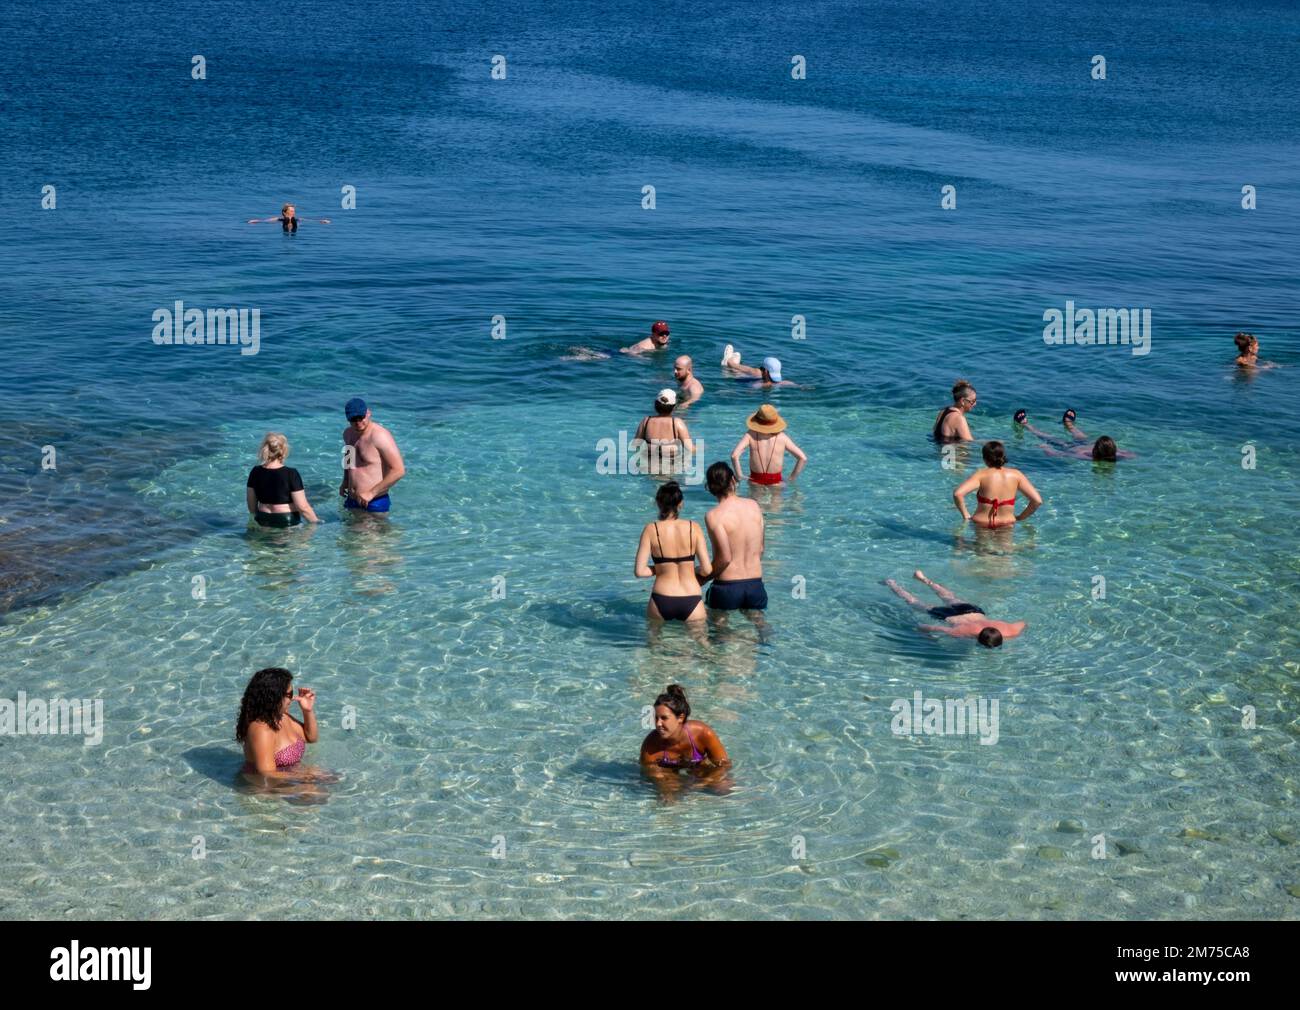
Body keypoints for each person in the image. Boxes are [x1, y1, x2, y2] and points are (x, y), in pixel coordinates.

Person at [634, 481, 711, 622]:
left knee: (653, 643)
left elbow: (640, 572)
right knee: (702, 643)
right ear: (680, 504)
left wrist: (662, 568)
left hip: (661, 598)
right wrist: (690, 569)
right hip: (691, 597)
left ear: (658, 503)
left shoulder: (651, 529)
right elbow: (707, 570)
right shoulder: (693, 527)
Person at [885, 570, 1026, 646]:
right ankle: (892, 584)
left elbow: (1024, 623)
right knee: (915, 603)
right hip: (949, 616)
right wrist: (929, 639)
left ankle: (923, 578)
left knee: (948, 596)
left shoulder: (1010, 629)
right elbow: (924, 626)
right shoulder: (960, 632)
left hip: (972, 610)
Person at [700, 462, 768, 611]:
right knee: (761, 627)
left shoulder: (713, 516)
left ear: (710, 487)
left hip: (727, 587)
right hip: (755, 585)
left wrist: (702, 578)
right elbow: (761, 549)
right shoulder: (754, 506)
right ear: (733, 480)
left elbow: (725, 558)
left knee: (720, 629)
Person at [236, 667, 319, 774]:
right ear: (274, 697)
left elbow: (311, 738)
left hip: (289, 779)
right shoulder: (261, 730)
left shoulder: (282, 716)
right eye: (289, 694)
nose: (293, 698)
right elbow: (267, 775)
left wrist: (307, 710)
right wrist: (308, 777)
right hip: (266, 787)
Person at [953, 441, 1042, 528]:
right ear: (1003, 456)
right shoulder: (1016, 475)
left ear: (984, 459)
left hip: (982, 523)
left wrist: (966, 515)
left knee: (980, 544)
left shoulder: (981, 474)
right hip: (1007, 523)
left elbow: (958, 494)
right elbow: (1037, 501)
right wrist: (1020, 517)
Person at [639, 684, 729, 768]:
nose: (658, 723)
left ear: (680, 718)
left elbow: (724, 766)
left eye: (664, 718)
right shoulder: (650, 747)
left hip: (699, 768)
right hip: (667, 770)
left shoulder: (703, 734)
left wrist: (706, 781)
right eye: (655, 718)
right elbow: (655, 775)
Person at [340, 398, 405, 512]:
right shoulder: (347, 433)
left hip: (374, 501)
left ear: (368, 413)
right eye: (353, 419)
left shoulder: (379, 436)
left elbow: (399, 470)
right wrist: (345, 481)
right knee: (348, 530)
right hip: (352, 499)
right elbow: (348, 459)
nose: (358, 422)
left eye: (361, 417)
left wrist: (371, 493)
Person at [246, 432, 320, 526]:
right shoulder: (291, 473)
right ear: (283, 451)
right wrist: (316, 522)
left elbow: (251, 506)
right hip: (286, 519)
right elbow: (303, 507)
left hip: (263, 518)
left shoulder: (255, 471)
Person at [730, 404, 806, 485]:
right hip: (776, 482)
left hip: (755, 481)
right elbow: (802, 458)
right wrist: (791, 479)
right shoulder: (782, 437)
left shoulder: (751, 434)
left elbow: (734, 455)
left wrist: (739, 475)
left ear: (757, 421)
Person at [1014, 409, 1135, 461]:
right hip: (1084, 443)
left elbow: (1058, 455)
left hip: (1068, 446)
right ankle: (1068, 423)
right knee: (1082, 437)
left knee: (1047, 437)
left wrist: (1045, 448)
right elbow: (1132, 455)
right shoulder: (1117, 454)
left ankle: (1025, 424)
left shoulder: (1084, 456)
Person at [633, 389, 695, 474]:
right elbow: (690, 449)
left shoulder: (646, 421)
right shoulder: (677, 423)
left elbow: (635, 445)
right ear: (674, 406)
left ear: (655, 404)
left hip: (648, 466)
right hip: (670, 467)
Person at [721, 346, 794, 388]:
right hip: (747, 380)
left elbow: (752, 389)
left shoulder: (758, 374)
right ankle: (730, 364)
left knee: (738, 373)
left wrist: (730, 362)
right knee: (740, 372)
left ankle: (729, 365)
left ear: (765, 371)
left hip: (742, 382)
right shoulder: (779, 382)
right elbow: (789, 383)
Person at [247, 203, 331, 230]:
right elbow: (266, 221)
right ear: (284, 212)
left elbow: (310, 221)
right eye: (291, 211)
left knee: (295, 224)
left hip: (295, 224)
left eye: (294, 211)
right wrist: (257, 221)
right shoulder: (278, 219)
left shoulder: (298, 219)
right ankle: (288, 224)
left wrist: (321, 221)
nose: (293, 213)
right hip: (284, 224)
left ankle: (291, 225)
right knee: (287, 224)